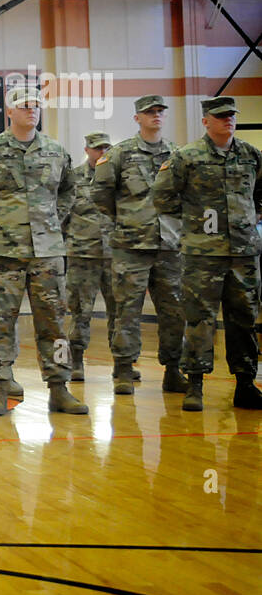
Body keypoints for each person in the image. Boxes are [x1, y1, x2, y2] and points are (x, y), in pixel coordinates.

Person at [0, 86, 88, 416]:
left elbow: (69, 191)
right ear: (9, 112)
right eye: (24, 105)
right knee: (1, 322)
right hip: (4, 252)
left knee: (55, 324)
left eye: (36, 105)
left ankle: (59, 388)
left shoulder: (56, 151)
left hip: (47, 254)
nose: (32, 110)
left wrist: (53, 221)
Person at [152, 96, 262, 412]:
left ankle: (245, 383)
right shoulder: (186, 157)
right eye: (221, 115)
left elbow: (261, 192)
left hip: (243, 254)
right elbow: (163, 196)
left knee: (244, 319)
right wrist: (189, 227)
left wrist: (254, 215)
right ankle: (195, 384)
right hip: (202, 255)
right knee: (200, 319)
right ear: (206, 121)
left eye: (231, 115)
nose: (228, 120)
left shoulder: (251, 155)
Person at [90, 95, 187, 395]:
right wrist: (128, 220)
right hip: (131, 247)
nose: (156, 116)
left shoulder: (177, 155)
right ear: (137, 118)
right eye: (149, 112)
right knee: (126, 311)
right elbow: (101, 194)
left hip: (169, 246)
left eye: (160, 111)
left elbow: (188, 194)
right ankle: (122, 369)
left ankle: (173, 369)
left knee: (173, 311)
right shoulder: (119, 154)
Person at [63, 131, 115, 382]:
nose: (102, 152)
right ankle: (76, 362)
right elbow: (61, 214)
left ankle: (123, 363)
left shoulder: (119, 178)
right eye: (97, 148)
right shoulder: (73, 179)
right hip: (83, 255)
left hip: (115, 255)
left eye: (106, 148)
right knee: (80, 312)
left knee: (120, 312)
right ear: (87, 150)